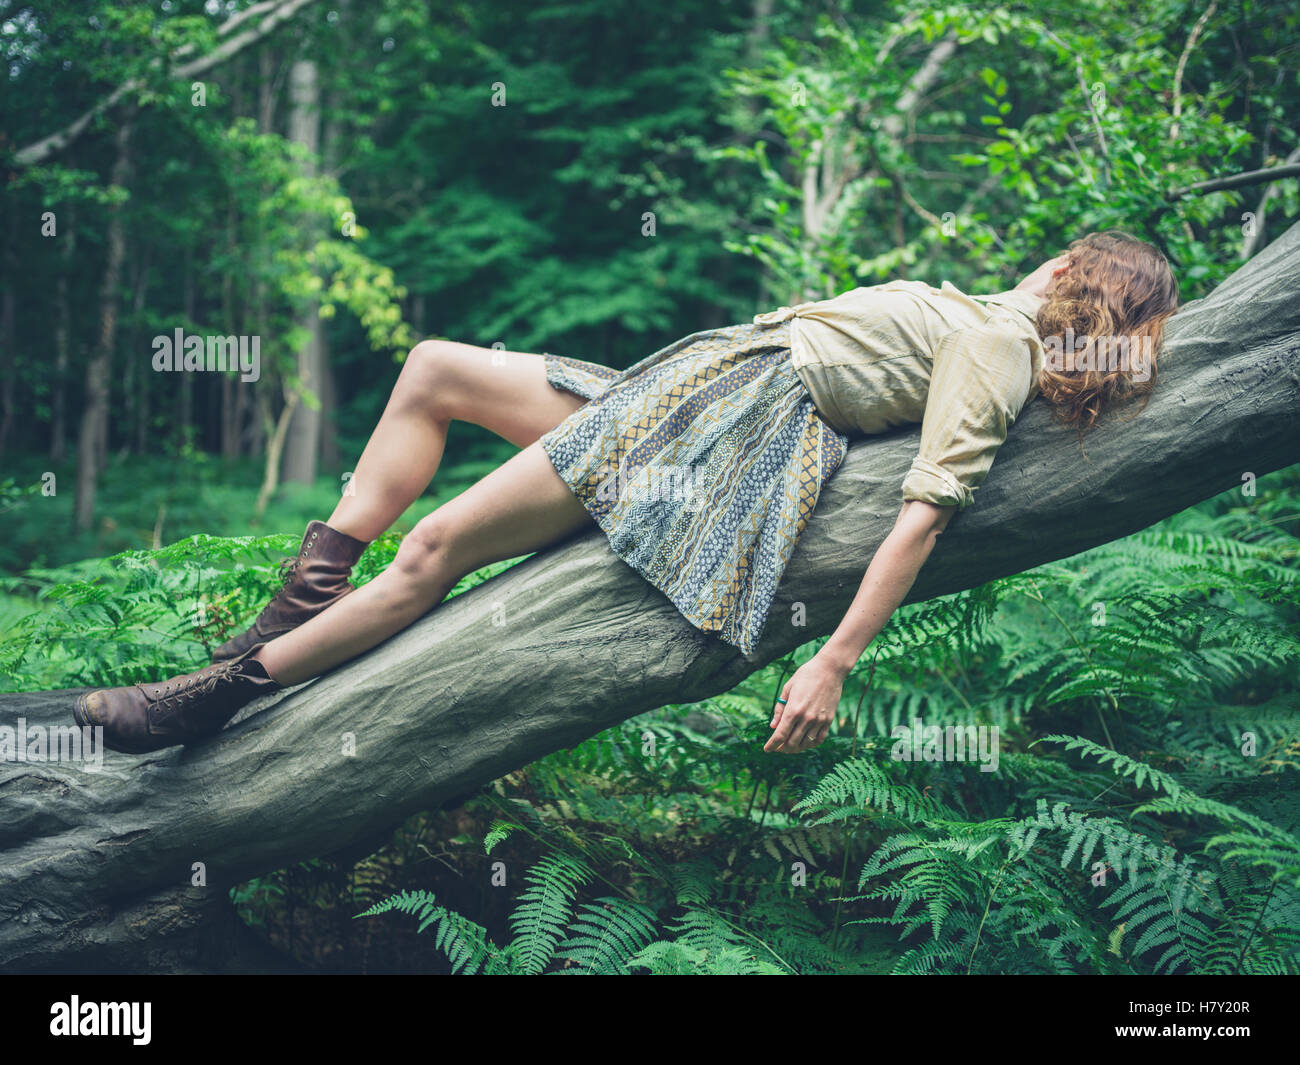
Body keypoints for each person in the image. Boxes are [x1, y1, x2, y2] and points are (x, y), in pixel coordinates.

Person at [73, 230, 1178, 756]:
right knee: (435, 367)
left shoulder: (996, 346)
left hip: (721, 429)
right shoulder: (984, 314)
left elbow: (927, 508)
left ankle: (217, 696)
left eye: (1073, 256)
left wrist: (833, 660)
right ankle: (299, 606)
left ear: (1087, 279)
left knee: (441, 546)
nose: (1050, 258)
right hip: (688, 386)